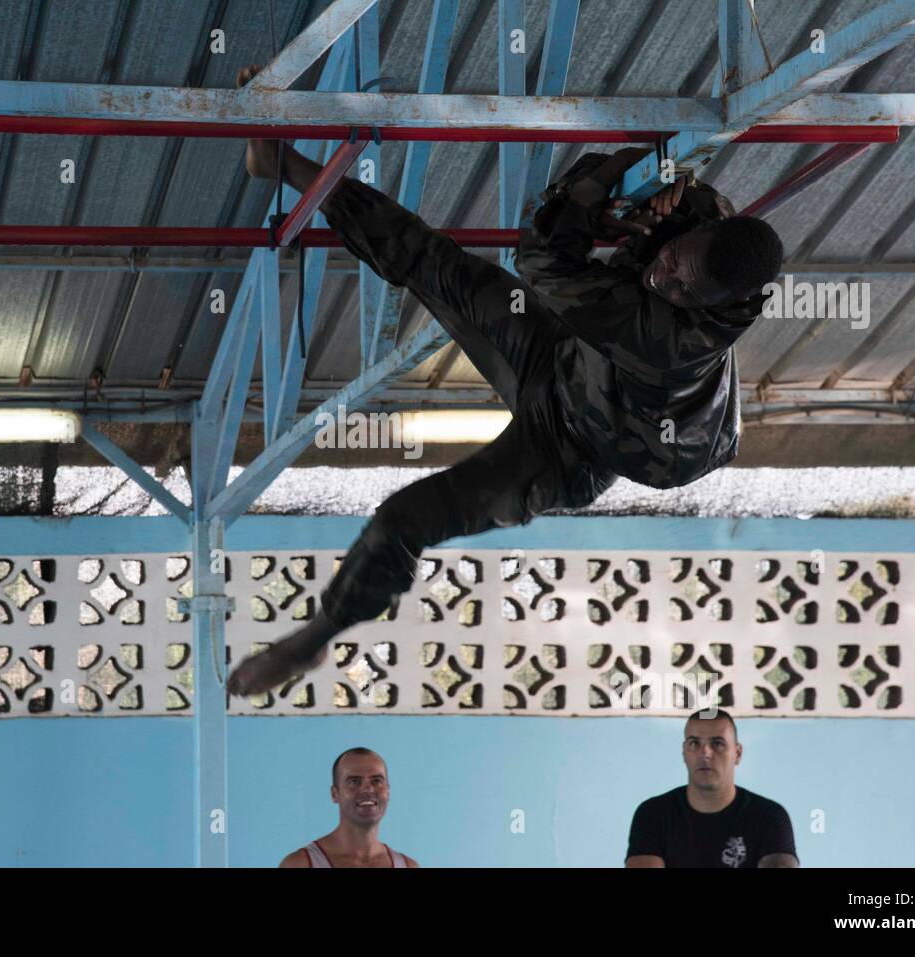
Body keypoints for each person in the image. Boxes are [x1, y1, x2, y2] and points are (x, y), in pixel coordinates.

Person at [227, 65, 783, 697]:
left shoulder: (659, 335)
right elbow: (698, 199)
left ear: (710, 302)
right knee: (438, 266)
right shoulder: (730, 243)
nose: (666, 279)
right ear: (707, 233)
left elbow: (541, 252)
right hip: (572, 363)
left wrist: (620, 170)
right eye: (675, 263)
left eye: (683, 291)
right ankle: (285, 163)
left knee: (403, 518)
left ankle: (317, 635)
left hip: (576, 448)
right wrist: (664, 194)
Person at [625, 708, 798, 867]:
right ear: (684, 752)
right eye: (694, 743)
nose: (705, 753)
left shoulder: (769, 817)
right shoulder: (653, 814)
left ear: (737, 754)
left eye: (717, 743)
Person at [279, 748, 419, 868]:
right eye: (354, 781)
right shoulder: (301, 864)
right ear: (335, 794)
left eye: (376, 781)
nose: (368, 789)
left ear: (388, 791)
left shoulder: (408, 865)